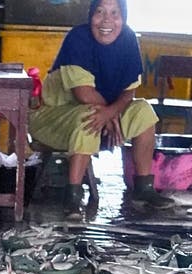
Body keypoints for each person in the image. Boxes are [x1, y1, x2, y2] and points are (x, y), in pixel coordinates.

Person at [29, 0, 173, 219]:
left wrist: (111, 112)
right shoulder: (78, 38)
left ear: (123, 17)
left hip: (103, 113)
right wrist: (108, 114)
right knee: (91, 115)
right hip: (52, 117)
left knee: (143, 110)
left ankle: (143, 188)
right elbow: (83, 94)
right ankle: (73, 197)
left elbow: (129, 92)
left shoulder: (128, 39)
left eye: (115, 13)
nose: (107, 20)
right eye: (100, 12)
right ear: (90, 15)